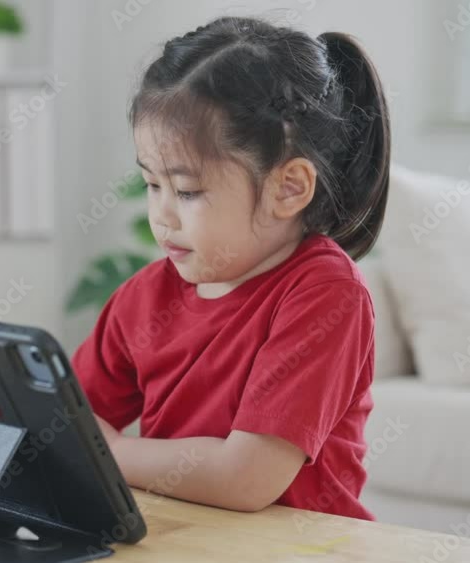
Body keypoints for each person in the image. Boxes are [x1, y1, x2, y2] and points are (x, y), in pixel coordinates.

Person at [70, 16, 389, 519]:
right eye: (153, 185)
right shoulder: (145, 296)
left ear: (288, 188)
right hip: (184, 538)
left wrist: (108, 452)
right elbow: (67, 422)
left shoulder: (327, 292)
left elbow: (247, 478)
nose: (162, 215)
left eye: (187, 191)